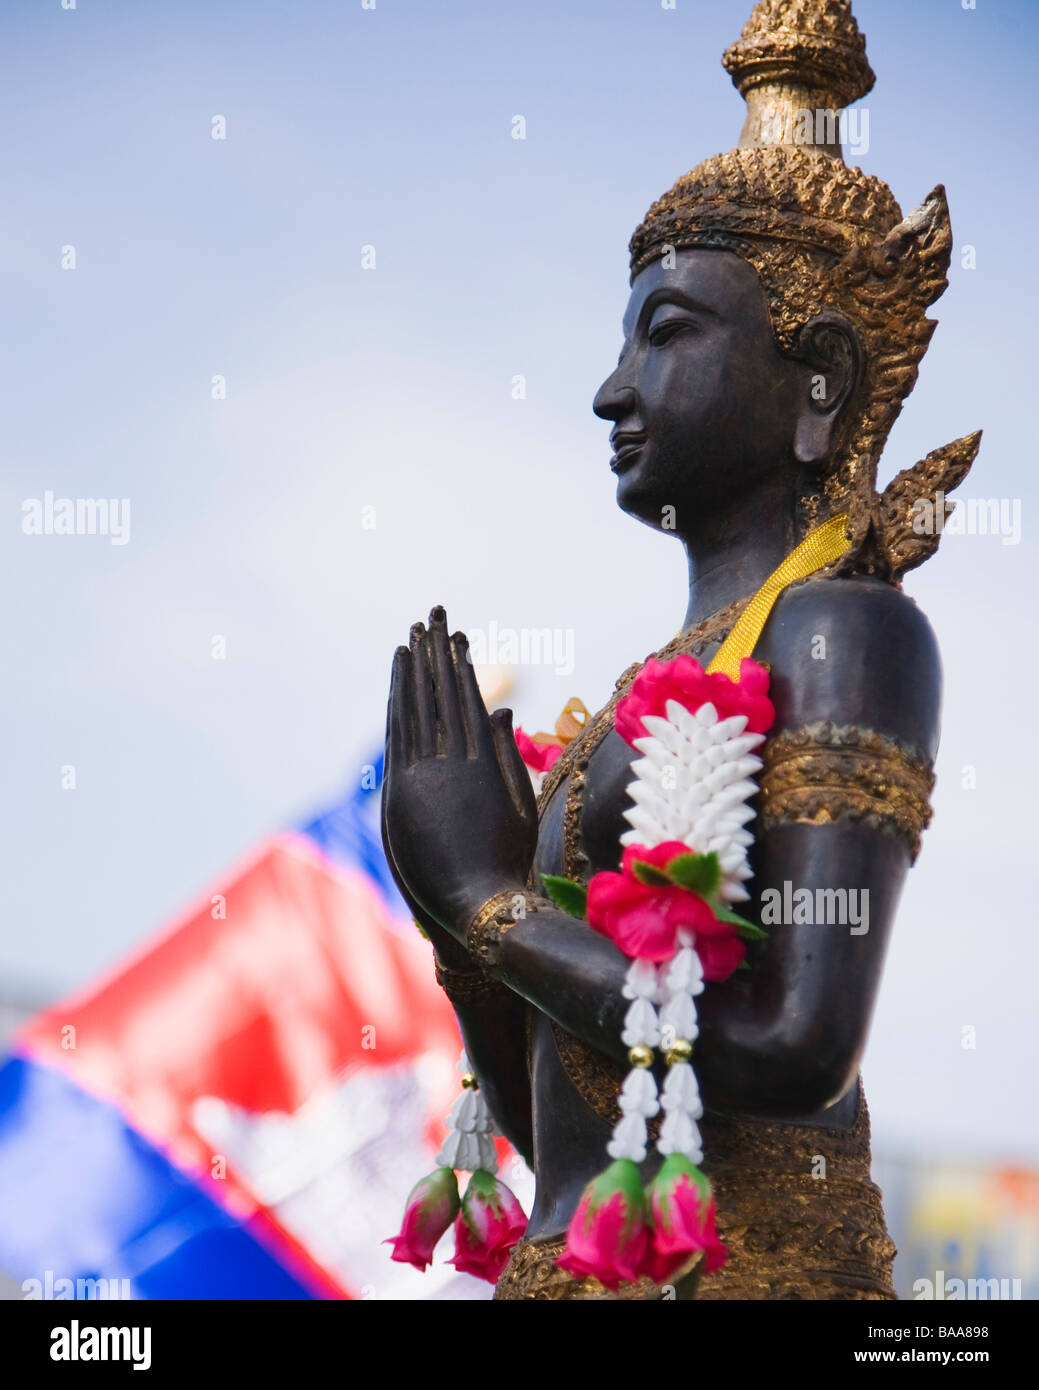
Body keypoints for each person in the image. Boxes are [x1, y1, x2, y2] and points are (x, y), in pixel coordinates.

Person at [381, 0, 979, 1300]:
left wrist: (492, 905)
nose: (611, 390)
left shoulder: (844, 630)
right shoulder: (647, 688)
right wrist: (458, 920)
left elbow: (791, 1042)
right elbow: (571, 1144)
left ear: (817, 381)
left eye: (664, 337)